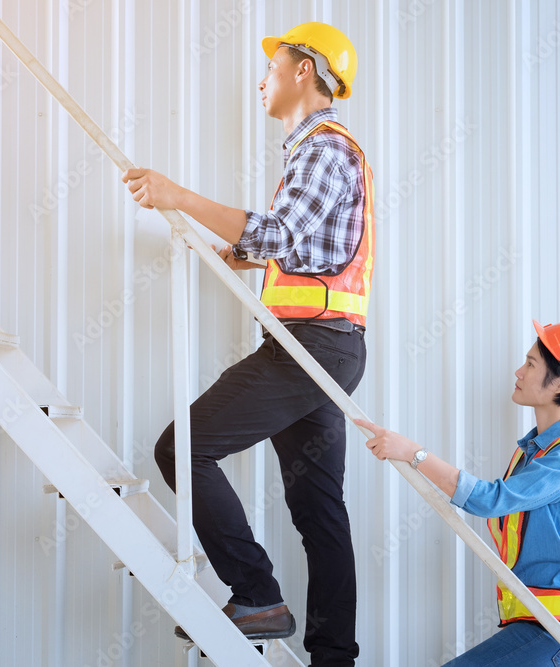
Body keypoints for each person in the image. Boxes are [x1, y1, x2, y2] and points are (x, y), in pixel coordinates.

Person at [122, 21, 370, 666]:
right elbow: (299, 247)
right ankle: (334, 657)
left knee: (183, 447)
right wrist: (237, 253)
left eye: (273, 65)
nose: (262, 79)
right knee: (320, 513)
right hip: (328, 347)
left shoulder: (323, 149)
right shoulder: (316, 153)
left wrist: (179, 196)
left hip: (309, 349)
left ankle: (257, 594)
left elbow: (280, 235)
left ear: (303, 72)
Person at [356, 320, 560, 666]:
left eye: (531, 364)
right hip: (539, 625)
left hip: (558, 632)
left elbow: (489, 500)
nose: (518, 371)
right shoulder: (533, 452)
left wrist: (414, 454)